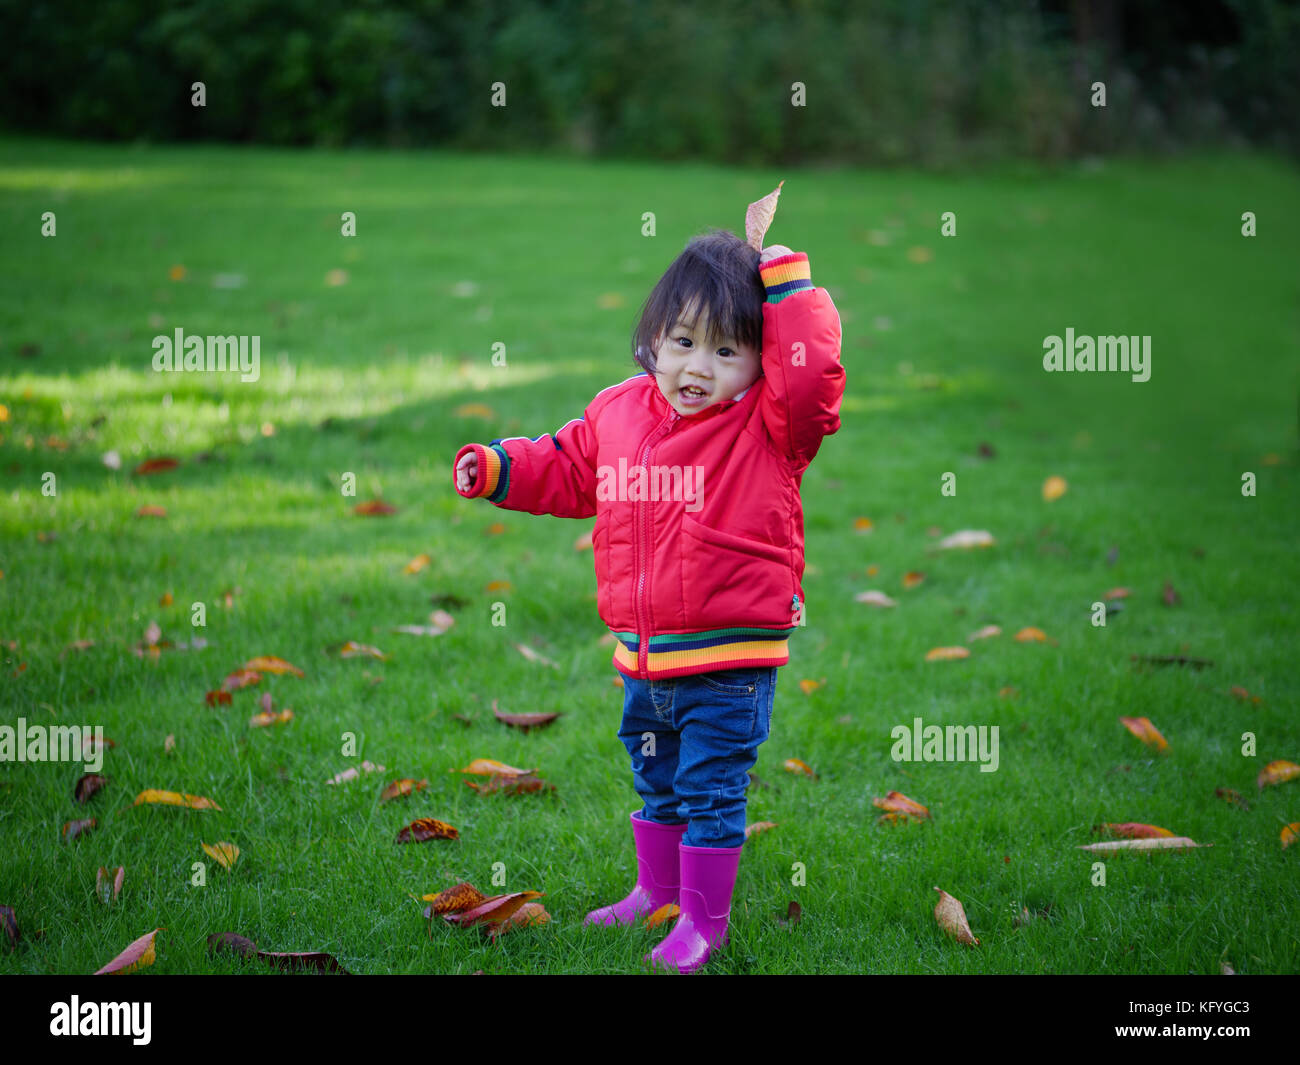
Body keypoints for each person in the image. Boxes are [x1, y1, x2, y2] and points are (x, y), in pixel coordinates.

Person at [453, 227, 845, 972]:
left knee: (711, 784)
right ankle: (657, 890)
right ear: (653, 340)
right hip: (644, 655)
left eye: (728, 352)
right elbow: (568, 469)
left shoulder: (769, 425)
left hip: (729, 657)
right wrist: (500, 468)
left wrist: (788, 283)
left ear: (762, 362)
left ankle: (704, 921)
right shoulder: (619, 412)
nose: (699, 367)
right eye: (684, 342)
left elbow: (814, 373)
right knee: (656, 775)